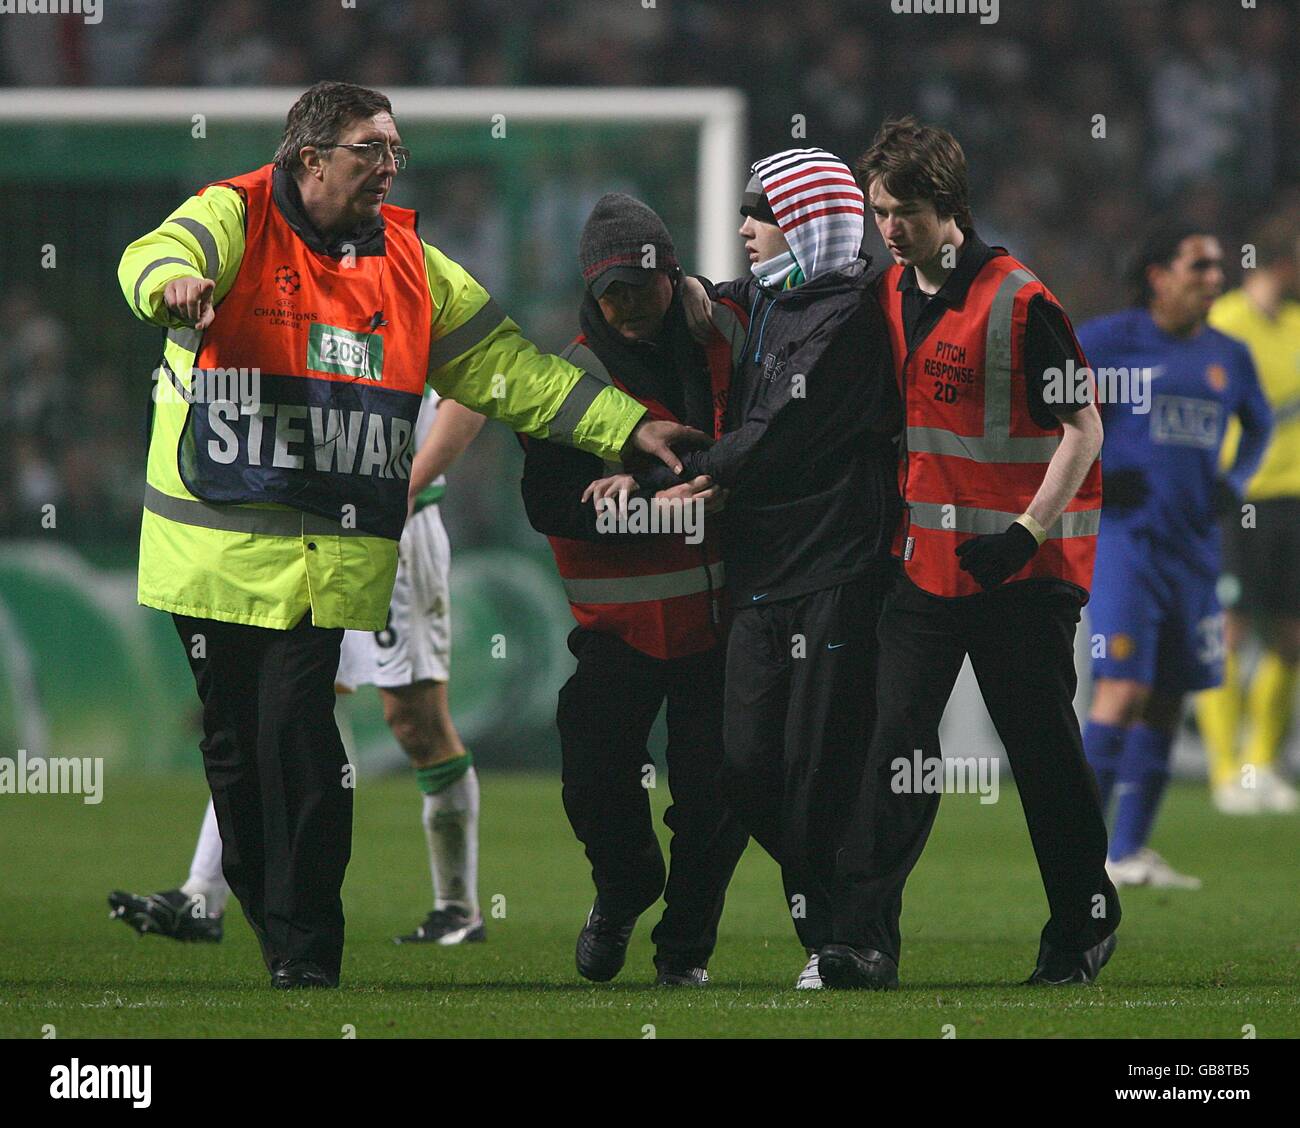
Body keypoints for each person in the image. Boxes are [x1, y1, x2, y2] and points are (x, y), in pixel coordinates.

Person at [116, 81, 701, 990]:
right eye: (370, 150)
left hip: (325, 567)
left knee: (303, 745)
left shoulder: (410, 261)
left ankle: (307, 955)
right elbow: (154, 256)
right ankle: (277, 924)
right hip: (213, 562)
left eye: (395, 151)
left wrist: (623, 427)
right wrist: (168, 286)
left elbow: (509, 369)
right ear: (310, 159)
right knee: (236, 754)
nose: (390, 166)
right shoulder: (229, 217)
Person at [590, 147, 901, 989]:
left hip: (837, 570)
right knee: (744, 770)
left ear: (806, 221)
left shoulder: (850, 320)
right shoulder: (768, 301)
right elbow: (708, 303)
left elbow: (774, 438)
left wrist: (673, 481)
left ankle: (846, 945)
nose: (743, 230)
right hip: (764, 578)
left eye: (759, 214)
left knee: (818, 775)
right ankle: (832, 932)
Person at [823, 117, 1118, 990]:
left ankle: (1082, 921)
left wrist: (1025, 533)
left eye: (904, 212)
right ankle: (863, 941)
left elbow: (1085, 428)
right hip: (929, 570)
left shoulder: (1023, 302)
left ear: (948, 209)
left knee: (1041, 753)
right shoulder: (891, 292)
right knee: (896, 748)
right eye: (879, 210)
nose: (888, 228)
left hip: (1024, 573)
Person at [108, 391, 490, 947]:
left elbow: (470, 399)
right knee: (299, 704)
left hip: (396, 530)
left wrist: (405, 488)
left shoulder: (424, 301)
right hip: (315, 527)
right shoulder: (302, 305)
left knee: (417, 724)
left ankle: (457, 908)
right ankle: (202, 896)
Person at [519, 193, 751, 987]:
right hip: (619, 629)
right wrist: (651, 508)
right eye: (612, 290)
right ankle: (624, 888)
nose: (626, 304)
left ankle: (683, 956)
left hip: (719, 628)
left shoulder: (725, 339)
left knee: (717, 803)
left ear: (671, 275)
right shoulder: (568, 379)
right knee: (591, 775)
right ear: (592, 287)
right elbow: (544, 503)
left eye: (641, 287)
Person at [1079, 224, 1272, 888]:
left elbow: (1261, 425)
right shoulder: (1108, 341)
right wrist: (1092, 474)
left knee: (1167, 698)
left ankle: (1126, 852)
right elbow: (1050, 409)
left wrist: (1236, 482)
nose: (1215, 277)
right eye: (1201, 266)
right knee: (1122, 689)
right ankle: (1075, 851)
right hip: (1124, 543)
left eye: (1219, 267)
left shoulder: (1229, 355)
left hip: (1194, 550)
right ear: (1160, 275)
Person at [1195, 214, 1300, 815]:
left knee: (1289, 638)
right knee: (1228, 630)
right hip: (1240, 502)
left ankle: (1262, 764)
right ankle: (1224, 771)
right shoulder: (1224, 324)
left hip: (1292, 502)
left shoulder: (1293, 327)